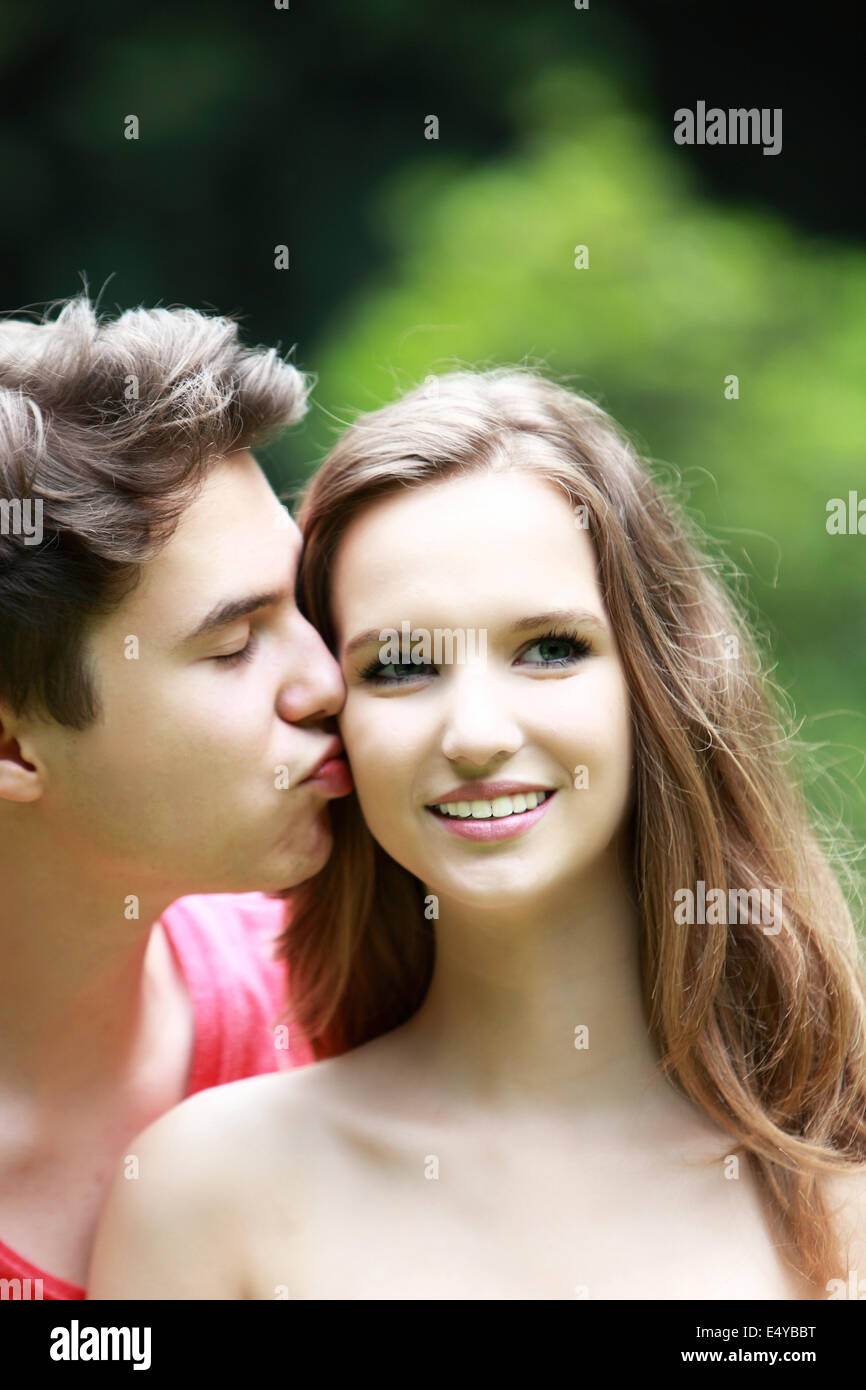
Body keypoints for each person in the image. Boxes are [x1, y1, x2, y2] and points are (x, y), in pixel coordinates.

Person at [87, 368, 866, 1300]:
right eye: (402, 666)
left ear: (659, 685)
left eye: (549, 649)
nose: (477, 735)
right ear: (335, 717)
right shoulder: (205, 1193)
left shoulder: (839, 1200)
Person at [0, 295, 353, 1299]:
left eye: (308, 609)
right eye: (236, 644)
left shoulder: (347, 992)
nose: (325, 681)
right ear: (12, 741)